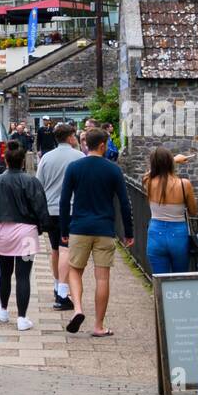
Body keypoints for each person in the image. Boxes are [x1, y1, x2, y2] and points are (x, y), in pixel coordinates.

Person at [58, 127, 134, 337]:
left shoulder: (74, 167)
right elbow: (125, 204)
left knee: (75, 270)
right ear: (102, 145)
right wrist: (129, 232)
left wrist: (64, 229)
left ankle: (78, 309)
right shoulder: (113, 170)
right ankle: (99, 326)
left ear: (85, 144)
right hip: (104, 229)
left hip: (79, 228)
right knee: (102, 278)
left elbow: (64, 201)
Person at [0, 138, 49, 332]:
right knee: (23, 275)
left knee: (5, 272)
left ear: (6, 160)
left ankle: (3, 309)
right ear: (23, 161)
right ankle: (23, 318)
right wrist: (44, 227)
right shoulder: (31, 181)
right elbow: (41, 207)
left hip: (4, 233)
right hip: (26, 234)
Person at [36, 121, 83, 310]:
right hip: (71, 210)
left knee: (55, 249)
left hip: (51, 210)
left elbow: (39, 184)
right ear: (71, 137)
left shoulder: (47, 158)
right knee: (67, 250)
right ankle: (63, 292)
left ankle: (57, 285)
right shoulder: (79, 156)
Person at [143, 146, 198, 274]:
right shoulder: (184, 184)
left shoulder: (148, 181)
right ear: (170, 163)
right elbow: (193, 211)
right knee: (179, 279)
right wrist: (174, 160)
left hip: (156, 233)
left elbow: (148, 172)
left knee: (160, 281)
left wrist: (173, 160)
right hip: (179, 234)